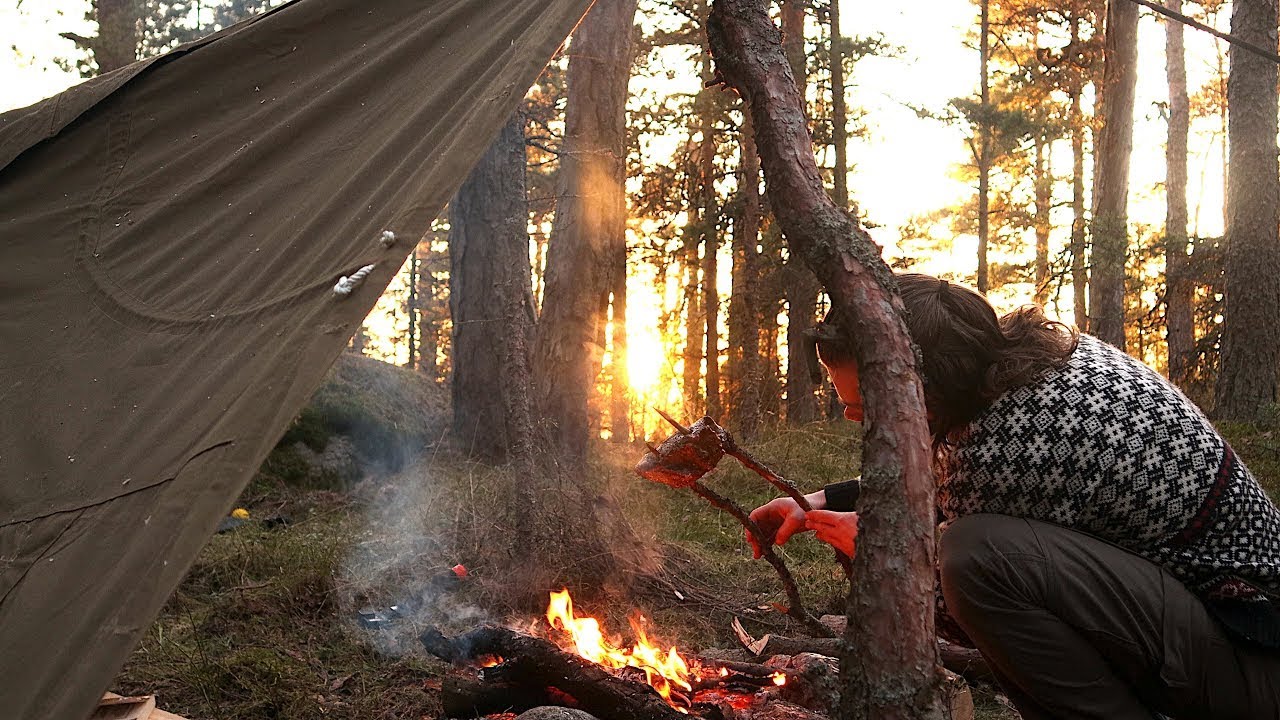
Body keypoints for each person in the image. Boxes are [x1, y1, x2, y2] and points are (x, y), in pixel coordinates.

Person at [748, 273, 1280, 720]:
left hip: (1251, 655)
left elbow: (946, 606)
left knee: (974, 559)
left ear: (925, 390)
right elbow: (931, 475)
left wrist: (884, 552)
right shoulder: (1034, 368)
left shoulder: (1010, 445)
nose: (850, 416)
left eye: (864, 403)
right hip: (1232, 625)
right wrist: (816, 501)